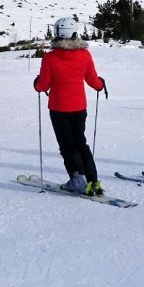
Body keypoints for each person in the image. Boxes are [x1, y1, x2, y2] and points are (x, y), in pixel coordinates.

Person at [34, 16, 107, 195]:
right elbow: (94, 82)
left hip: (59, 109)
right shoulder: (84, 54)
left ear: (57, 34)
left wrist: (36, 83)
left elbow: (42, 86)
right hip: (79, 107)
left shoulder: (50, 58)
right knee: (81, 143)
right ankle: (93, 181)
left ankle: (77, 179)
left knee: (67, 145)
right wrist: (100, 84)